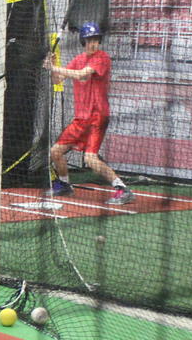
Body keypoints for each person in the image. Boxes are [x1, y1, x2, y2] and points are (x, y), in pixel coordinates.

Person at [43, 21, 134, 206]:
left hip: (97, 116)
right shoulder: (78, 59)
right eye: (89, 40)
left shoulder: (102, 58)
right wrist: (52, 65)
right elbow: (57, 80)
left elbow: (82, 75)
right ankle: (65, 184)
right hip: (81, 119)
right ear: (83, 41)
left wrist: (54, 68)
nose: (93, 44)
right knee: (55, 152)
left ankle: (122, 189)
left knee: (90, 159)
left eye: (96, 40)